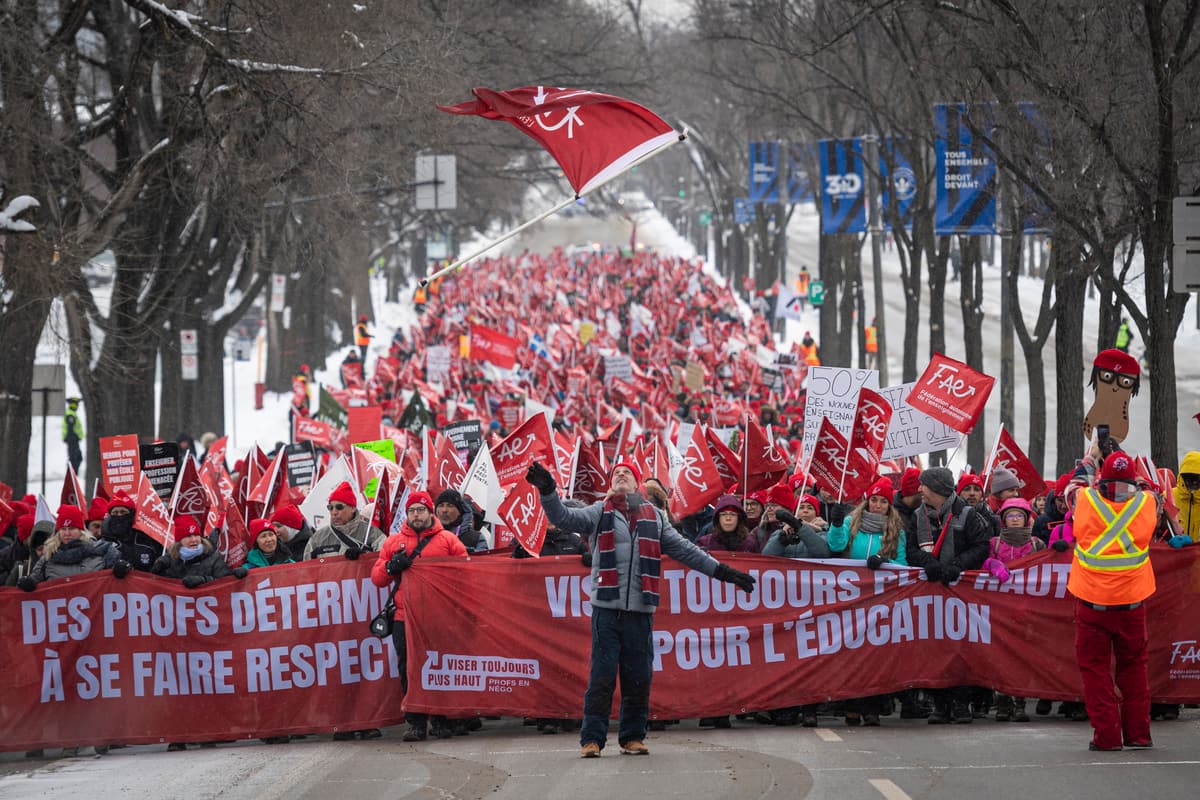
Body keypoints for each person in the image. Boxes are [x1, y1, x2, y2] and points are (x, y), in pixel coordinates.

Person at [524, 458, 756, 758]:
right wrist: (548, 490)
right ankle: (591, 739)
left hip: (641, 610)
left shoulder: (656, 517)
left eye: (627, 473)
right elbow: (564, 517)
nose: (621, 475)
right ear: (611, 484)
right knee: (602, 675)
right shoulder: (598, 512)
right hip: (606, 609)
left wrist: (723, 572)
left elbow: (687, 551)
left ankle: (632, 737)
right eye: (616, 473)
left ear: (637, 484)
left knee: (639, 676)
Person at [1065, 450, 1158, 751]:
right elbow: (1149, 486)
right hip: (1132, 604)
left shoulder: (1084, 500)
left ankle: (1106, 737)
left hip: (1092, 603)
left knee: (1095, 671)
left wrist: (1092, 456)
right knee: (1135, 669)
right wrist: (1127, 466)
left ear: (1101, 478)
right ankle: (1138, 735)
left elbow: (1073, 485)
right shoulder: (1148, 503)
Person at [370, 491, 468, 742]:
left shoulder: (447, 540)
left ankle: (441, 720)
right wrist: (391, 566)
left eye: (421, 510)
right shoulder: (393, 542)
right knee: (408, 669)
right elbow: (377, 578)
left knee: (440, 668)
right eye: (412, 511)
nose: (416, 515)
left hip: (439, 616)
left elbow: (466, 572)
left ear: (429, 512)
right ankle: (415, 722)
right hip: (404, 617)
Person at [905, 467, 992, 724]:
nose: (919, 490)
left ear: (937, 489)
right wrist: (927, 563)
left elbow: (981, 546)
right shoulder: (918, 516)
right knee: (934, 648)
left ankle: (961, 703)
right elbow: (911, 549)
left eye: (923, 485)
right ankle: (940, 704)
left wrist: (957, 565)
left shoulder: (967, 514)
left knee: (961, 648)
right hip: (931, 592)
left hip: (960, 592)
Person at [826, 477, 908, 726]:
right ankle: (852, 706)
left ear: (889, 505)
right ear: (867, 501)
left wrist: (885, 562)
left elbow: (903, 564)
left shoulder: (896, 531)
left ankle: (872, 707)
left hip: (880, 599)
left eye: (883, 501)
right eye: (874, 500)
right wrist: (836, 524)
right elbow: (836, 545)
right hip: (851, 597)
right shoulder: (851, 522)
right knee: (851, 653)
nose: (877, 505)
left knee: (874, 655)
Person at [981, 498, 1045, 722]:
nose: (1015, 519)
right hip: (1000, 610)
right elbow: (982, 563)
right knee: (1000, 657)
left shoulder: (1036, 544)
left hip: (1026, 609)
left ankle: (1020, 702)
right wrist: (991, 564)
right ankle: (1002, 701)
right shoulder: (995, 543)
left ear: (1026, 519)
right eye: (1011, 515)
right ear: (1004, 520)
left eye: (1019, 515)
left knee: (1022, 658)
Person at [303, 481, 385, 561]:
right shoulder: (317, 538)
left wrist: (365, 556)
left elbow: (384, 560)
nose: (334, 512)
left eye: (339, 507)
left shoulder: (372, 533)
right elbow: (307, 567)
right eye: (330, 507)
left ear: (352, 508)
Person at [101, 490, 162, 571]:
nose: (119, 515)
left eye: (123, 512)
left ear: (131, 514)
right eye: (115, 513)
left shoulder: (147, 541)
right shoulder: (104, 543)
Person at [696, 494, 760, 555]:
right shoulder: (705, 543)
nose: (728, 518)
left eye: (732, 514)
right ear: (718, 518)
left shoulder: (750, 544)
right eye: (724, 514)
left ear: (739, 518)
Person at [1172, 451, 1200, 542]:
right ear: (1181, 477)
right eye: (1187, 477)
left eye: (1196, 478)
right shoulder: (1169, 496)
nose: (1193, 482)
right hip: (1174, 549)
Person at [63, 397, 84, 473]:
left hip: (74, 440)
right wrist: (74, 437)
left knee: (77, 457)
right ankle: (72, 474)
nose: (78, 406)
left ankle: (73, 474)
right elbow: (70, 428)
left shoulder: (72, 414)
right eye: (77, 404)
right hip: (72, 440)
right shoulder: (70, 414)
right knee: (74, 458)